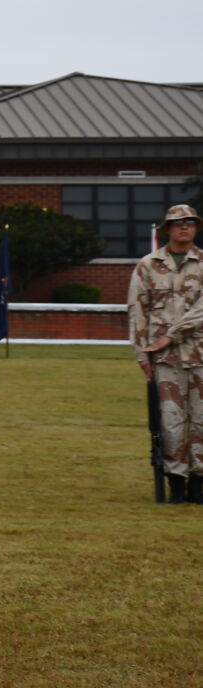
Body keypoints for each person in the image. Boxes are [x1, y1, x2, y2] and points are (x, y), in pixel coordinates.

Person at [129, 203, 203, 504]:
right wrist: (142, 355)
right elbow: (137, 313)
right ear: (167, 229)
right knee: (170, 424)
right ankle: (176, 482)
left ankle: (199, 483)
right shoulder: (147, 266)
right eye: (177, 223)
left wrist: (170, 336)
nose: (184, 227)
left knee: (201, 421)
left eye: (189, 222)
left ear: (196, 228)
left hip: (200, 355)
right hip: (164, 361)